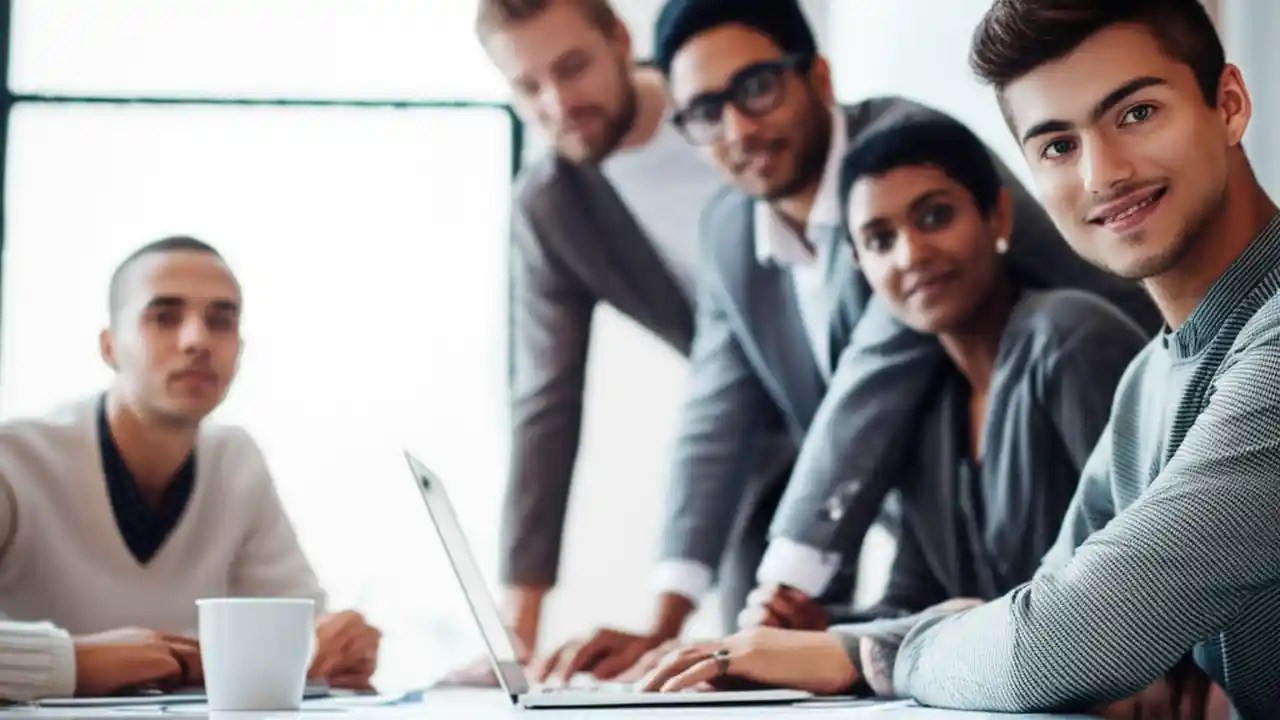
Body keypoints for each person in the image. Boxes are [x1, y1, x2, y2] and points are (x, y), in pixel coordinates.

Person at [637, 0, 1280, 715]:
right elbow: (1043, 604)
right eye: (1058, 146)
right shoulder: (1148, 382)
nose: (1104, 174)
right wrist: (851, 648)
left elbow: (1060, 642)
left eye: (1136, 114)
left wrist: (868, 653)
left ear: (1227, 104)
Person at [536, 0, 1157, 682]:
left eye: (757, 87)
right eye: (707, 111)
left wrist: (789, 594)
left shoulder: (913, 161)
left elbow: (874, 382)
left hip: (1140, 470)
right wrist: (692, 623)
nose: (738, 127)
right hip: (1002, 610)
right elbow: (714, 415)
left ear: (818, 78)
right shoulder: (734, 235)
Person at [636, 112, 1143, 690]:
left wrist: (846, 651)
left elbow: (1138, 579)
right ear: (861, 266)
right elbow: (920, 603)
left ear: (997, 216)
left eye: (935, 216)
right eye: (880, 240)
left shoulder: (1070, 338)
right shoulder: (926, 411)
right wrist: (818, 629)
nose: (911, 255)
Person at [476, 0, 767, 650]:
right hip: (752, 444)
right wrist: (517, 632)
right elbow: (545, 402)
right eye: (528, 87)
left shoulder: (725, 106)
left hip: (892, 382)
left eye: (573, 67)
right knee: (762, 650)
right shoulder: (553, 204)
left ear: (619, 40)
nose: (558, 103)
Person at [0, 237, 381, 692]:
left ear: (239, 349)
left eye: (221, 322)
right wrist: (72, 662)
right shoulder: (14, 461)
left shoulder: (236, 461)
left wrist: (336, 644)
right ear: (109, 347)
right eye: (163, 317)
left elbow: (303, 626)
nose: (197, 340)